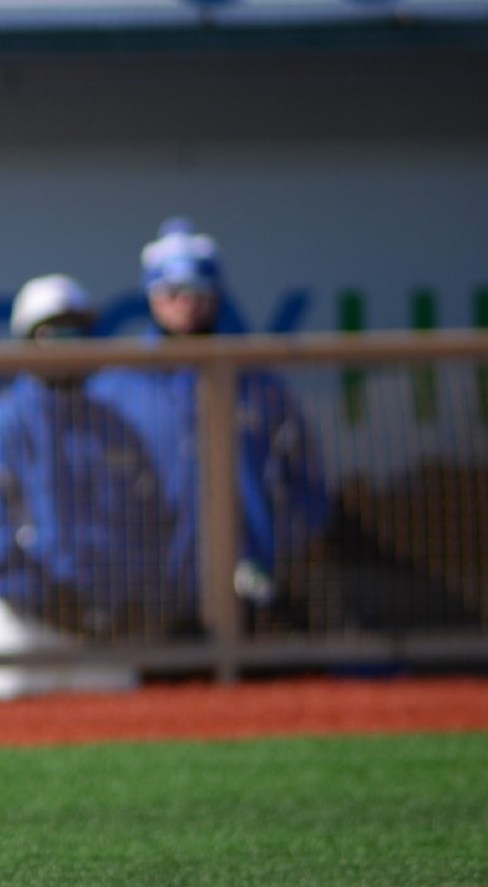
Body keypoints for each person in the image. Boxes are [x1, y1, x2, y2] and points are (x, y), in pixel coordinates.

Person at [87, 218, 330, 623]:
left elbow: (307, 485)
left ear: (217, 295)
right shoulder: (115, 388)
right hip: (146, 595)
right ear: (151, 296)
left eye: (198, 290)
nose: (186, 302)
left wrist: (268, 549)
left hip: (245, 590)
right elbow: (85, 488)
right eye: (172, 291)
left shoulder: (257, 383)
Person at [0, 274, 171, 700]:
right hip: (24, 623)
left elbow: (153, 522)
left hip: (106, 623)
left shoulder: (116, 428)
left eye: (78, 332)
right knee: (7, 739)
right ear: (27, 342)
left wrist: (132, 596)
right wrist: (53, 601)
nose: (69, 345)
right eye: (55, 333)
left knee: (120, 738)